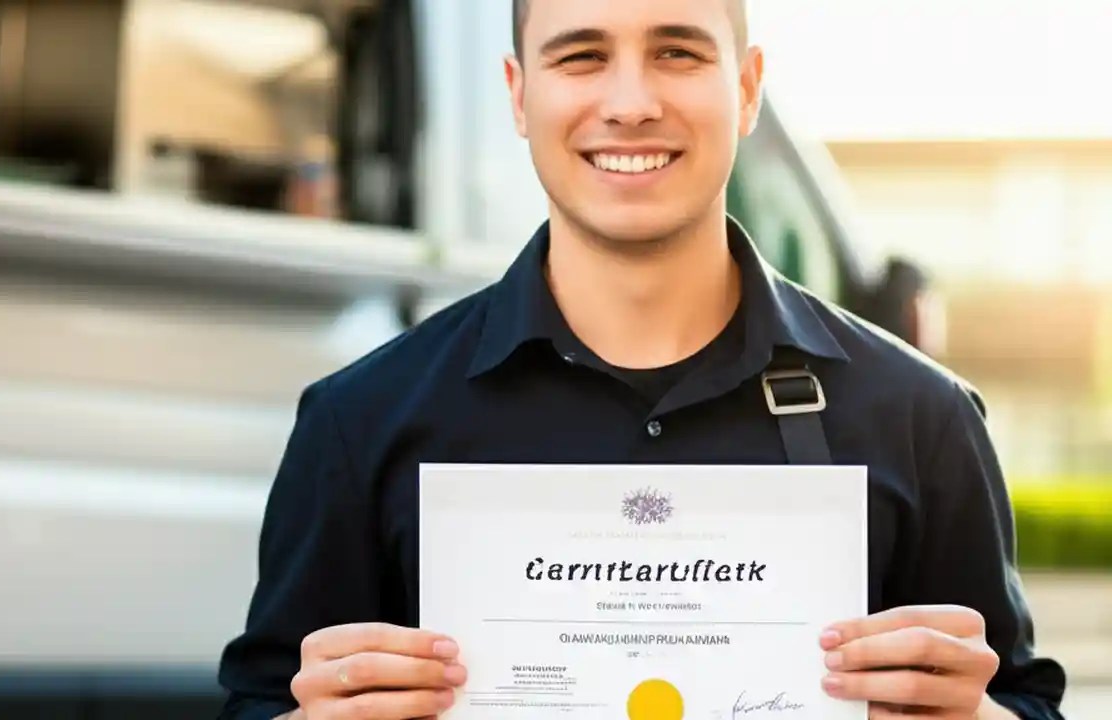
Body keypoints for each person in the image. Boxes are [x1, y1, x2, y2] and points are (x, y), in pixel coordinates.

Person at [216, 0, 1067, 718]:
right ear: (519, 95)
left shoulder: (922, 417)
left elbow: (1023, 702)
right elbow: (262, 700)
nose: (630, 102)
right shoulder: (358, 422)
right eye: (582, 56)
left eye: (676, 52)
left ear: (746, 88)